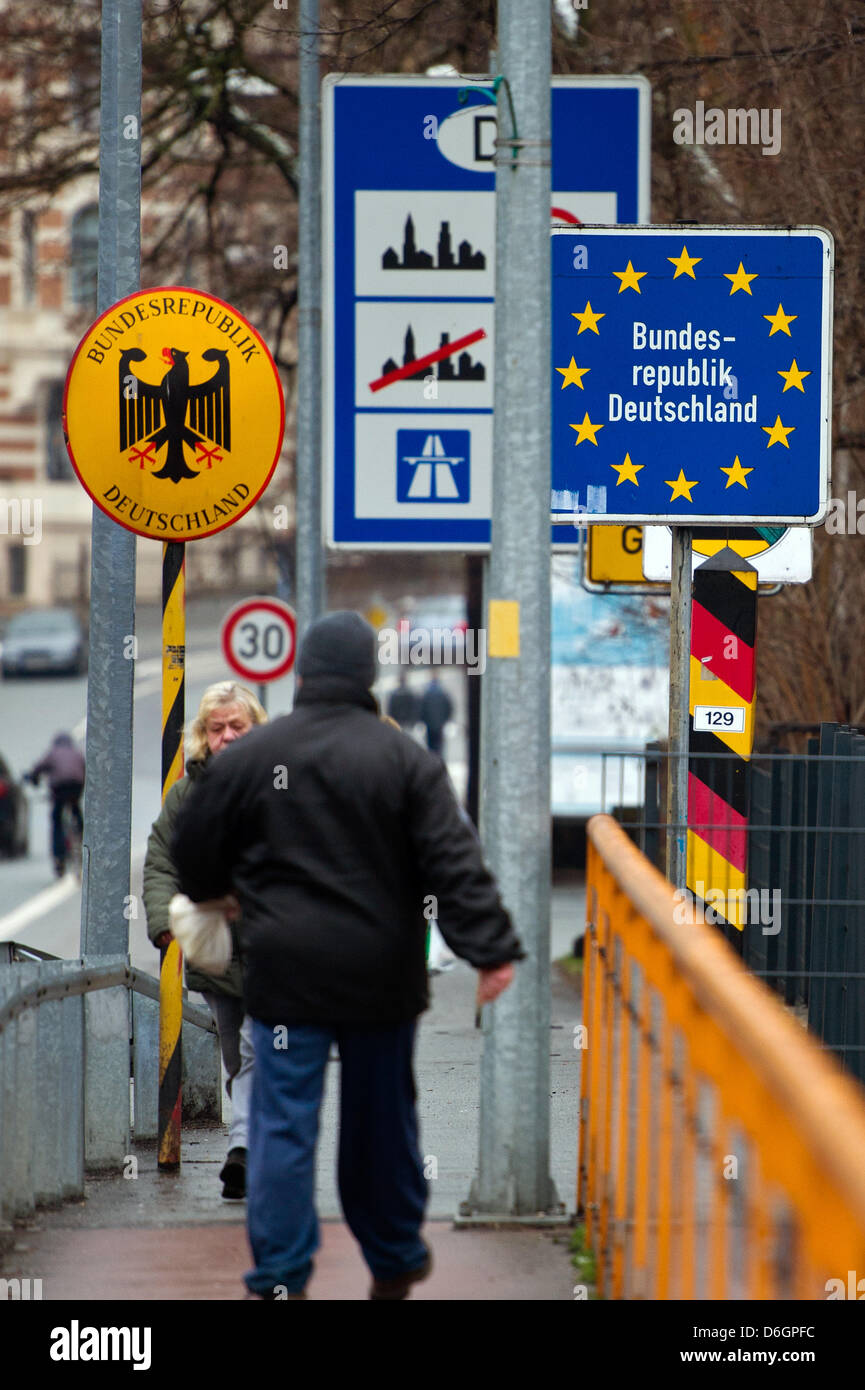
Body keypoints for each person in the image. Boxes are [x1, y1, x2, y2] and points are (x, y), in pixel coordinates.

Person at [171, 610, 524, 1301]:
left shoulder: (249, 760)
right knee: (381, 1125)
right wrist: (488, 951)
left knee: (280, 1129)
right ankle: (393, 1256)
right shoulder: (404, 760)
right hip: (381, 982)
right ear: (368, 677)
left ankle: (278, 1274)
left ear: (303, 673)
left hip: (284, 978)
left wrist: (225, 891)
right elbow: (454, 861)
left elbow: (193, 853)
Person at [142, 680, 266, 1200]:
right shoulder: (186, 796)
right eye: (218, 729)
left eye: (238, 727)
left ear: (255, 729)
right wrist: (164, 920)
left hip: (272, 947)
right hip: (215, 950)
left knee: (260, 1048)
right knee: (234, 1056)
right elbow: (161, 860)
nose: (228, 738)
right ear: (203, 736)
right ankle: (255, 1142)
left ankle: (242, 1148)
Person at [26, 733, 85, 877]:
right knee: (76, 812)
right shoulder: (77, 753)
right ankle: (81, 836)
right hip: (76, 788)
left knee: (57, 821)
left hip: (59, 789)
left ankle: (59, 857)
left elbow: (38, 768)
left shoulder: (53, 753)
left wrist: (33, 778)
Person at [419, 674, 453, 756]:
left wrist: (423, 720)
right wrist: (446, 719)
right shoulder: (443, 693)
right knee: (439, 745)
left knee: (431, 746)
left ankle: (432, 761)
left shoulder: (426, 694)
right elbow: (448, 707)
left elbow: (422, 708)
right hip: (440, 724)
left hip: (429, 724)